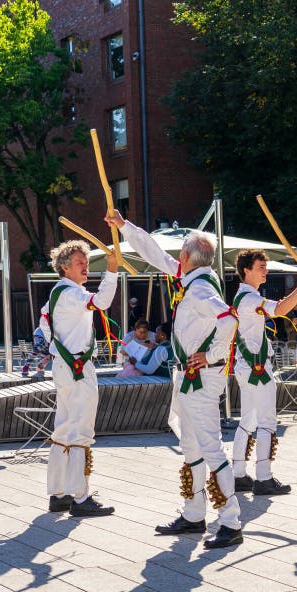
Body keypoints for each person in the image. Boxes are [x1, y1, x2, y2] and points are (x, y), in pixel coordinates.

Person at [105, 209, 242, 549]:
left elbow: (228, 320)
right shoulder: (193, 279)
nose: (175, 258)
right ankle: (195, 514)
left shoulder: (198, 290)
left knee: (210, 446)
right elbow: (155, 253)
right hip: (191, 375)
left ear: (187, 257)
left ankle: (231, 520)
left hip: (202, 376)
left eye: (180, 251)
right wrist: (125, 227)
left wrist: (209, 356)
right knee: (193, 446)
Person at [39, 240, 118, 516]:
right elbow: (102, 302)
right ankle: (80, 498)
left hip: (66, 366)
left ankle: (58, 494)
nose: (86, 267)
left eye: (86, 263)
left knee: (64, 427)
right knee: (81, 430)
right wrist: (112, 271)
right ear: (64, 267)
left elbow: (44, 324)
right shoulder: (71, 294)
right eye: (79, 264)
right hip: (76, 368)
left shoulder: (59, 294)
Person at [231, 251, 297, 495]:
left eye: (265, 266)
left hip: (248, 366)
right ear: (246, 270)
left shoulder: (245, 296)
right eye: (260, 267)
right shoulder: (248, 298)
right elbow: (280, 309)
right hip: (256, 368)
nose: (265, 271)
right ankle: (264, 477)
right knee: (266, 421)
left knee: (248, 420)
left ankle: (238, 475)